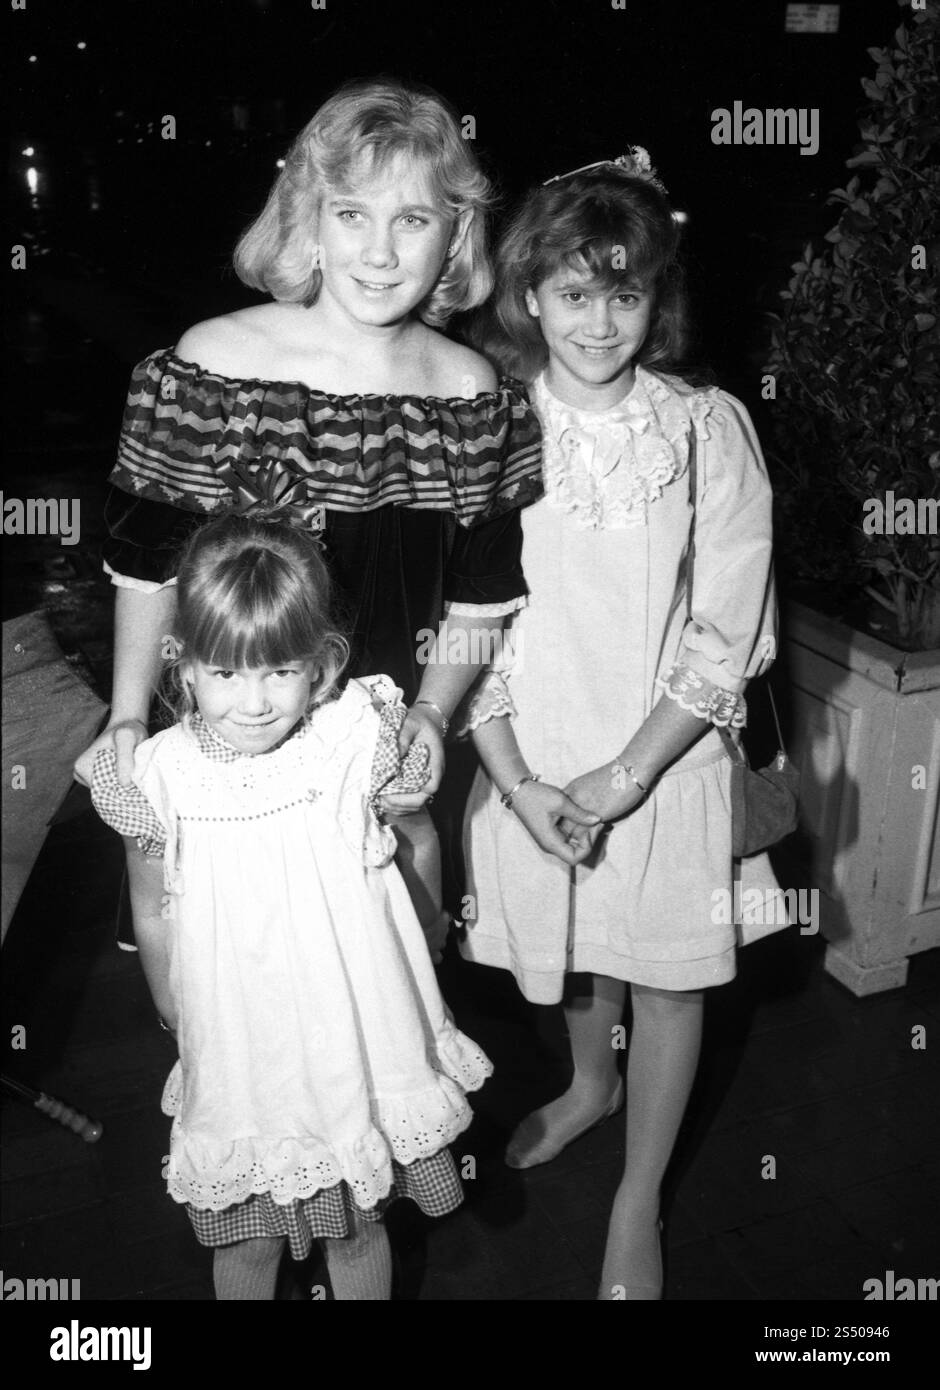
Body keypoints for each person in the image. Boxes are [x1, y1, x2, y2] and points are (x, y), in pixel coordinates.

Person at [74, 77, 546, 957]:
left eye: (413, 219)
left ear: (454, 238)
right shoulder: (212, 364)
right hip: (230, 739)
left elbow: (481, 601)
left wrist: (431, 719)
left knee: (374, 987)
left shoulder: (476, 396)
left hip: (373, 761)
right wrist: (130, 715)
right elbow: (149, 568)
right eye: (352, 213)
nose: (379, 249)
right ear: (310, 222)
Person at [458, 150, 788, 1300]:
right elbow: (461, 630)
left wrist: (621, 780)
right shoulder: (486, 428)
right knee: (588, 944)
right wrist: (518, 778)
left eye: (625, 291)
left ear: (657, 298)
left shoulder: (705, 429)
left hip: (666, 759)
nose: (599, 320)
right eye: (573, 290)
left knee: (669, 979)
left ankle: (637, 1199)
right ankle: (588, 1086)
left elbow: (727, 634)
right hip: (535, 761)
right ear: (528, 294)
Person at [90, 511, 493, 1300]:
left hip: (355, 1041)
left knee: (360, 1227)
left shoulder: (351, 740)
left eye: (279, 671)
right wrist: (175, 1010)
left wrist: (433, 939)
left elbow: (414, 848)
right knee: (247, 1240)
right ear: (185, 667)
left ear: (321, 666)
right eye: (227, 673)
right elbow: (152, 910)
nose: (254, 701)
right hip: (242, 1052)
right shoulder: (157, 776)